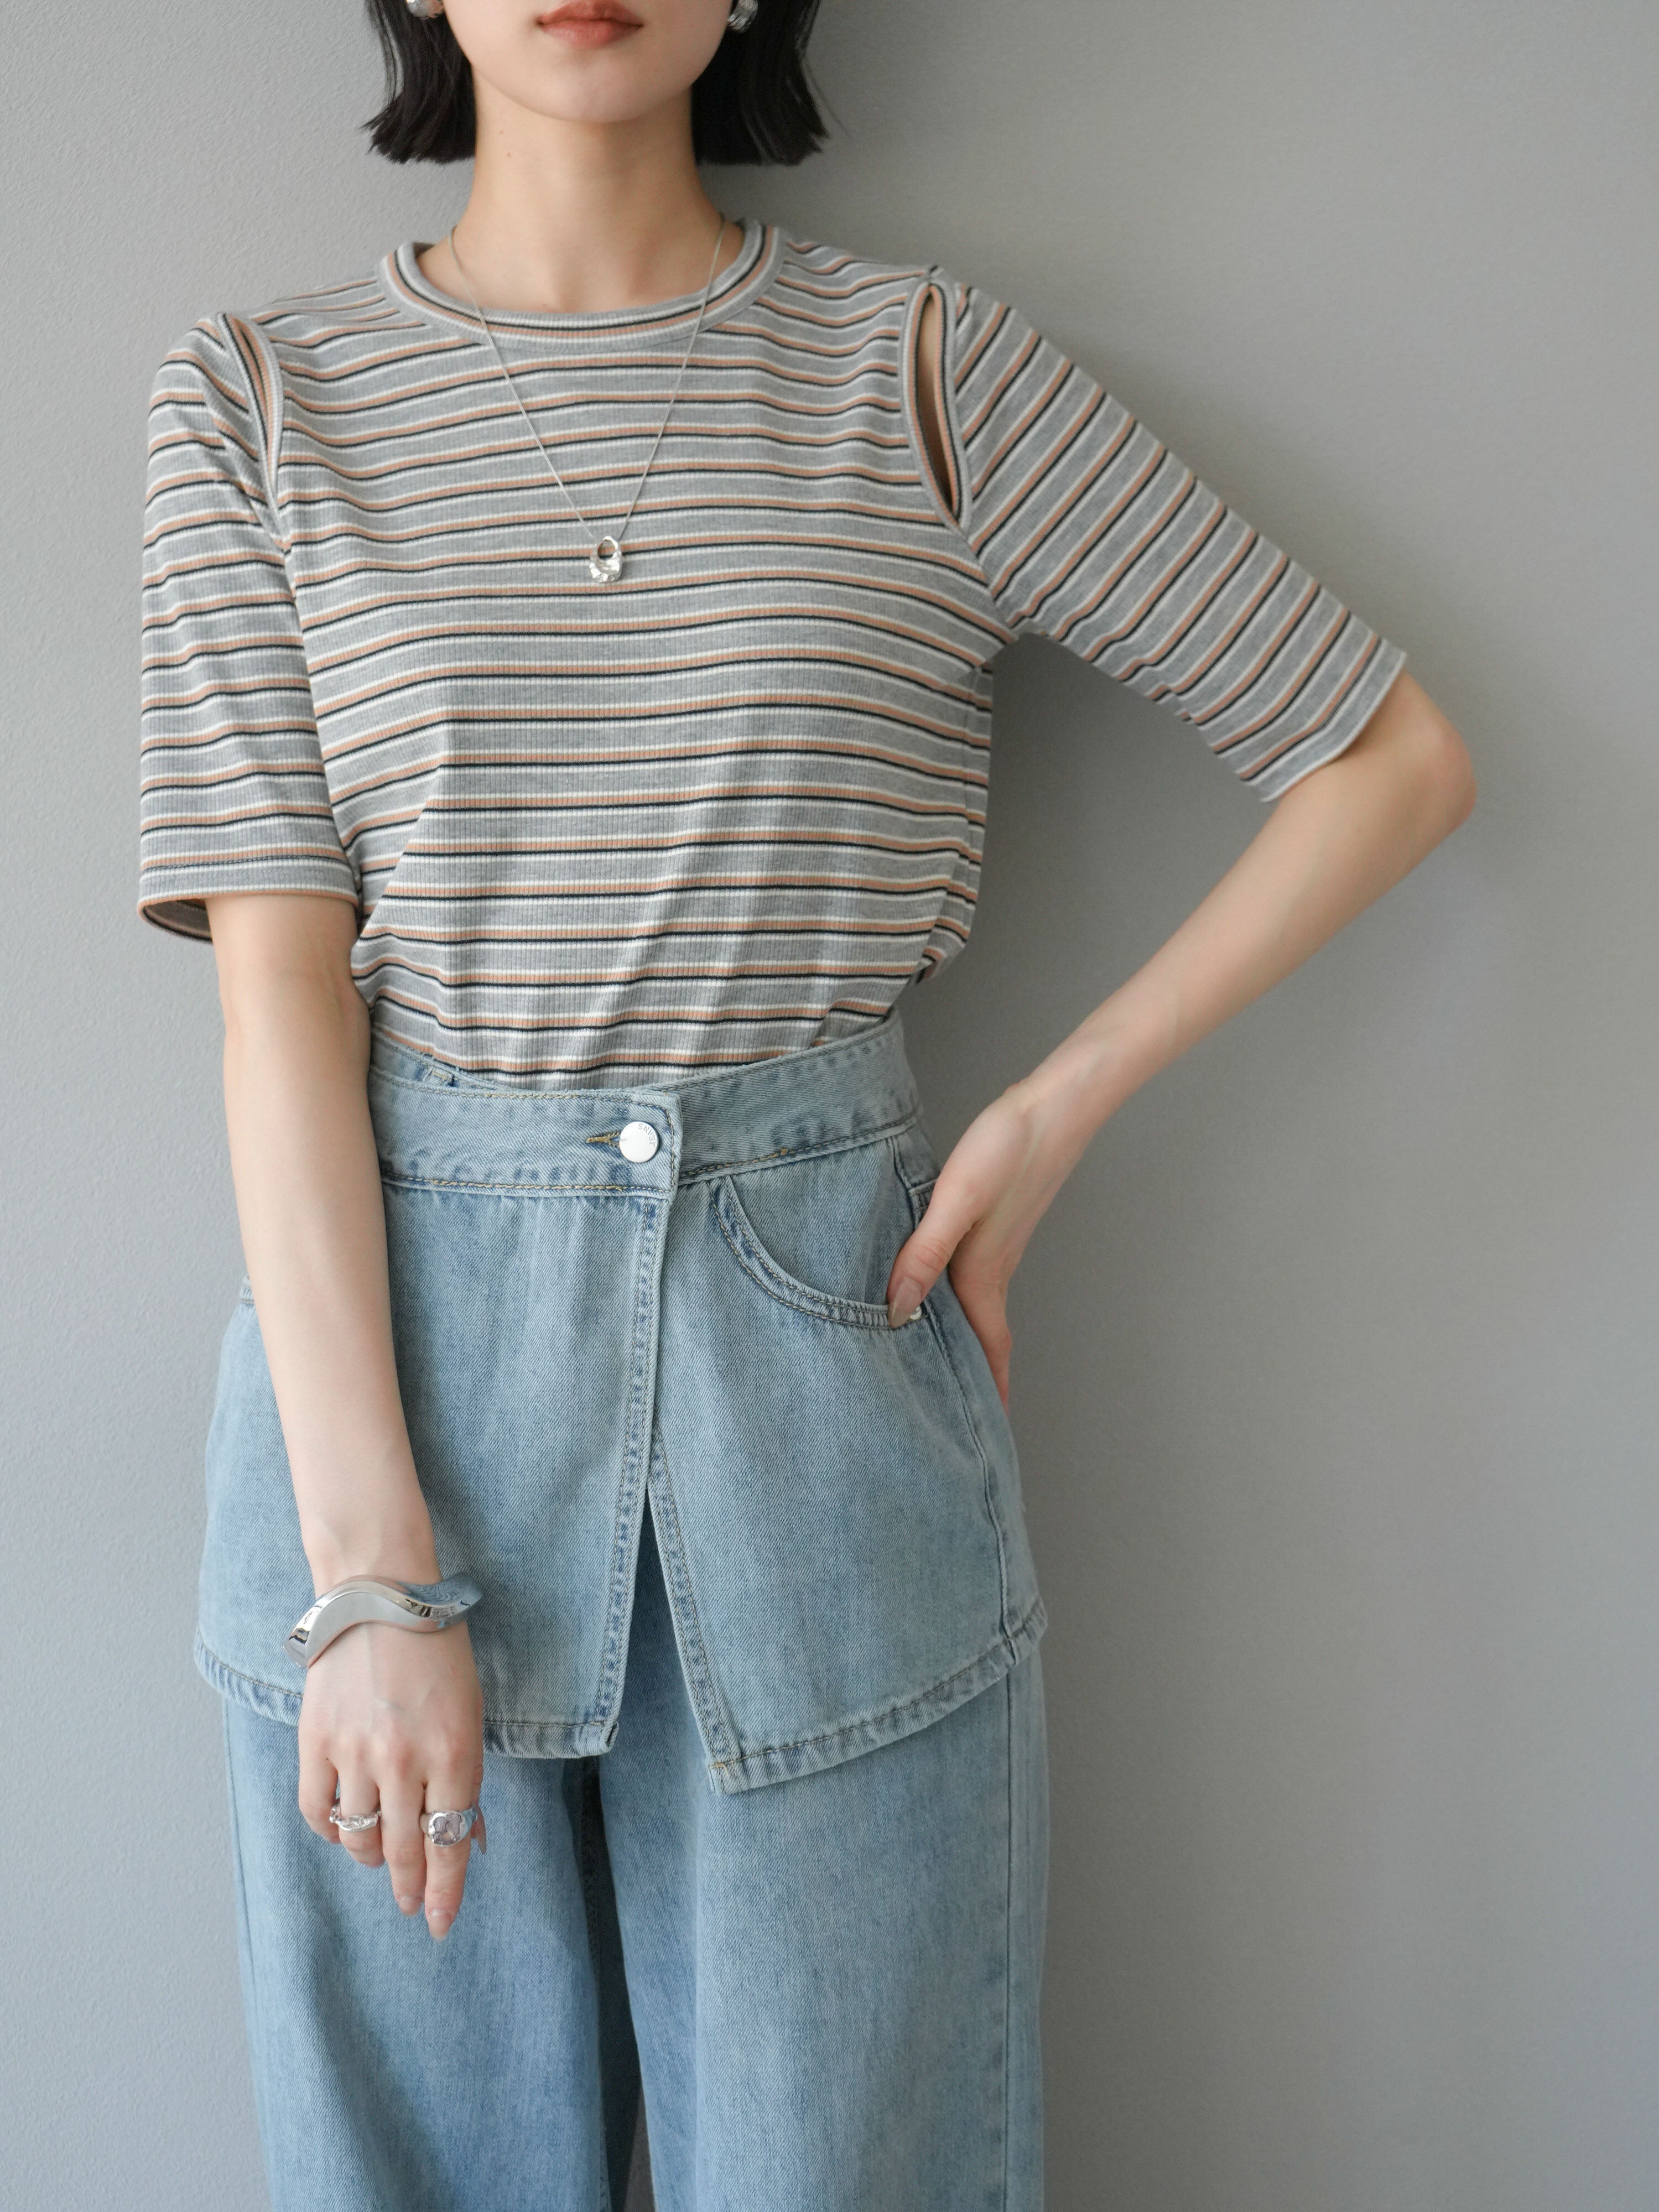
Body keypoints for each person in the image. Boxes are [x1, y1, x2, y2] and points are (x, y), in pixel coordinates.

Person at [137, 2, 1475, 2205]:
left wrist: (1053, 1109)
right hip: (381, 1396)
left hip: (819, 1396)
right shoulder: (262, 399)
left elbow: (1388, 760)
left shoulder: (922, 376)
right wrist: (371, 1580)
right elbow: (276, 1006)